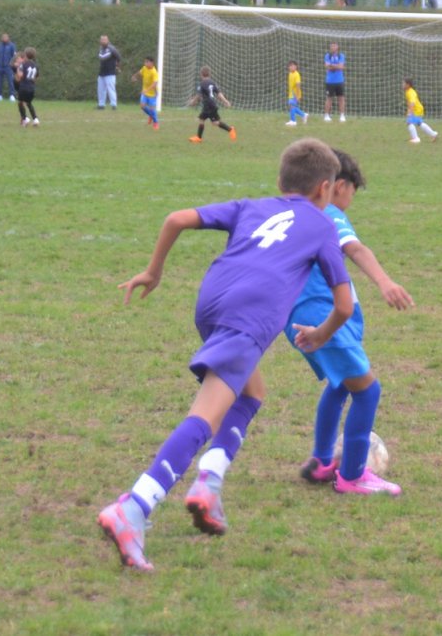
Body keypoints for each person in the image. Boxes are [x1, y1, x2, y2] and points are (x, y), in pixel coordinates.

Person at [97, 138, 354, 571]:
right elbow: (344, 305)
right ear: (325, 189)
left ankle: (208, 484)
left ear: (280, 180)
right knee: (206, 416)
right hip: (248, 317)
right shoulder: (324, 225)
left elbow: (176, 218)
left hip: (212, 304)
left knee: (251, 394)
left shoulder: (251, 205)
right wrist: (320, 334)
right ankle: (135, 507)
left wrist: (153, 271)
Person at [287, 148, 411, 497]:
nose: (349, 202)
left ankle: (322, 462)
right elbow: (355, 249)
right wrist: (386, 282)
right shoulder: (328, 213)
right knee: (368, 390)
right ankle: (353, 476)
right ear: (338, 185)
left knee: (341, 384)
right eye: (352, 194)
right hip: (319, 315)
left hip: (301, 315)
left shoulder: (295, 213)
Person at [187, 67, 236, 144]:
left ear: (201, 74)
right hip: (211, 104)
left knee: (214, 122)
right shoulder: (212, 83)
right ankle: (198, 138)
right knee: (202, 119)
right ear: (209, 74)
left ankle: (230, 129)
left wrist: (192, 102)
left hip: (208, 105)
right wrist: (226, 101)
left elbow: (198, 96)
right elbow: (219, 94)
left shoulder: (202, 83)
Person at [403, 78, 439, 144]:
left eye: (404, 83)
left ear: (408, 85)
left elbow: (412, 103)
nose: (402, 85)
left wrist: (410, 112)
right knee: (419, 123)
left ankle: (415, 138)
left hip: (417, 110)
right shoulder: (408, 91)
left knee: (409, 122)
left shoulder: (411, 92)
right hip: (418, 109)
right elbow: (410, 103)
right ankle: (433, 134)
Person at [132, 57, 160, 129]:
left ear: (151, 63)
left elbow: (155, 84)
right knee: (142, 106)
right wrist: (134, 76)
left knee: (152, 109)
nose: (145, 63)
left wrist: (146, 90)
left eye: (147, 62)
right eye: (145, 62)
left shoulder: (154, 72)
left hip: (153, 94)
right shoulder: (144, 68)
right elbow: (139, 73)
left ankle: (156, 122)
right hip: (145, 92)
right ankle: (151, 115)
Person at [323, 42, 347, 123]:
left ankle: (342, 115)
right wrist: (338, 66)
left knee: (341, 98)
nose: (333, 47)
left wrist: (332, 66)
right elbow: (327, 66)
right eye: (331, 46)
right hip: (330, 81)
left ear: (337, 47)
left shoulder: (341, 55)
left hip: (340, 81)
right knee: (329, 99)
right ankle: (326, 115)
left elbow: (341, 66)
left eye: (334, 46)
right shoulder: (327, 56)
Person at [16, 47, 40, 127]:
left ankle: (25, 119)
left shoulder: (23, 64)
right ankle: (35, 119)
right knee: (29, 103)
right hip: (31, 88)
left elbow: (20, 76)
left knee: (20, 102)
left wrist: (18, 70)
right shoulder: (36, 65)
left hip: (23, 87)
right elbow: (36, 77)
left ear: (25, 55)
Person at [96, 35, 121, 110]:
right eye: (102, 40)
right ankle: (101, 105)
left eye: (104, 40)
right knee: (101, 89)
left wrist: (117, 65)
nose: (103, 41)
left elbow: (119, 57)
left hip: (110, 72)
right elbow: (101, 58)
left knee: (111, 89)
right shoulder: (100, 49)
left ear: (108, 40)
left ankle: (114, 105)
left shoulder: (112, 49)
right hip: (102, 72)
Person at [0, 32, 16, 102]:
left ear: (8, 38)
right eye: (3, 37)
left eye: (5, 37)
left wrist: (11, 64)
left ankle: (12, 95)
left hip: (8, 67)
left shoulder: (12, 45)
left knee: (10, 81)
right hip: (0, 67)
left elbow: (14, 56)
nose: (4, 38)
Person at [286, 60, 309, 126]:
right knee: (291, 107)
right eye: (290, 66)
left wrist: (298, 95)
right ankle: (303, 115)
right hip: (291, 93)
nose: (291, 67)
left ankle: (293, 121)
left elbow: (298, 86)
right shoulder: (290, 74)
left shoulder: (297, 74)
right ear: (288, 67)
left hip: (295, 94)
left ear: (296, 67)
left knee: (292, 106)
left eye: (293, 66)